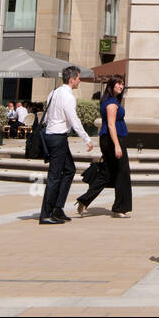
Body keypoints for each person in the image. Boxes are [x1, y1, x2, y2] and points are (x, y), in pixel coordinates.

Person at [39, 65, 94, 225]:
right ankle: (46, 213)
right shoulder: (68, 97)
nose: (79, 81)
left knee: (69, 170)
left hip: (51, 134)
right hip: (58, 137)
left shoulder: (54, 92)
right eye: (78, 78)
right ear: (72, 80)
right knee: (54, 177)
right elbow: (73, 120)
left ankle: (57, 208)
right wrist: (86, 139)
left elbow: (48, 114)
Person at [74, 76, 132, 218]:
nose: (121, 86)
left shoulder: (108, 101)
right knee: (122, 172)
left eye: (122, 84)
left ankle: (84, 200)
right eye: (118, 83)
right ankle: (119, 208)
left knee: (107, 173)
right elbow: (111, 125)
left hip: (108, 139)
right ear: (111, 85)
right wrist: (117, 145)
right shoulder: (111, 103)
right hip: (114, 139)